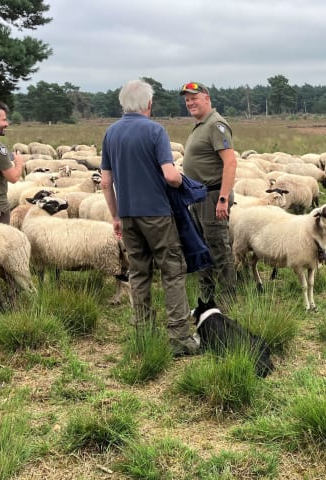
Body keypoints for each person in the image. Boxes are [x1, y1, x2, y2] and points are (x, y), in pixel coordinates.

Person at [101, 79, 199, 357]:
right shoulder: (155, 131)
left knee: (139, 273)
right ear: (149, 104)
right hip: (157, 214)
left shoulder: (111, 133)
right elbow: (169, 175)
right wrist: (184, 184)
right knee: (171, 271)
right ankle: (179, 338)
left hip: (129, 216)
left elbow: (105, 182)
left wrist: (116, 216)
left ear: (123, 104)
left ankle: (143, 334)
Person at [179, 81, 238, 304]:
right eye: (187, 100)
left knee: (218, 246)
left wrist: (223, 198)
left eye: (194, 98)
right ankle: (208, 296)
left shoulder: (216, 125)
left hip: (212, 196)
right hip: (198, 197)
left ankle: (227, 299)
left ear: (207, 98)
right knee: (201, 245)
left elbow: (230, 162)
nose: (190, 103)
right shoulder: (201, 125)